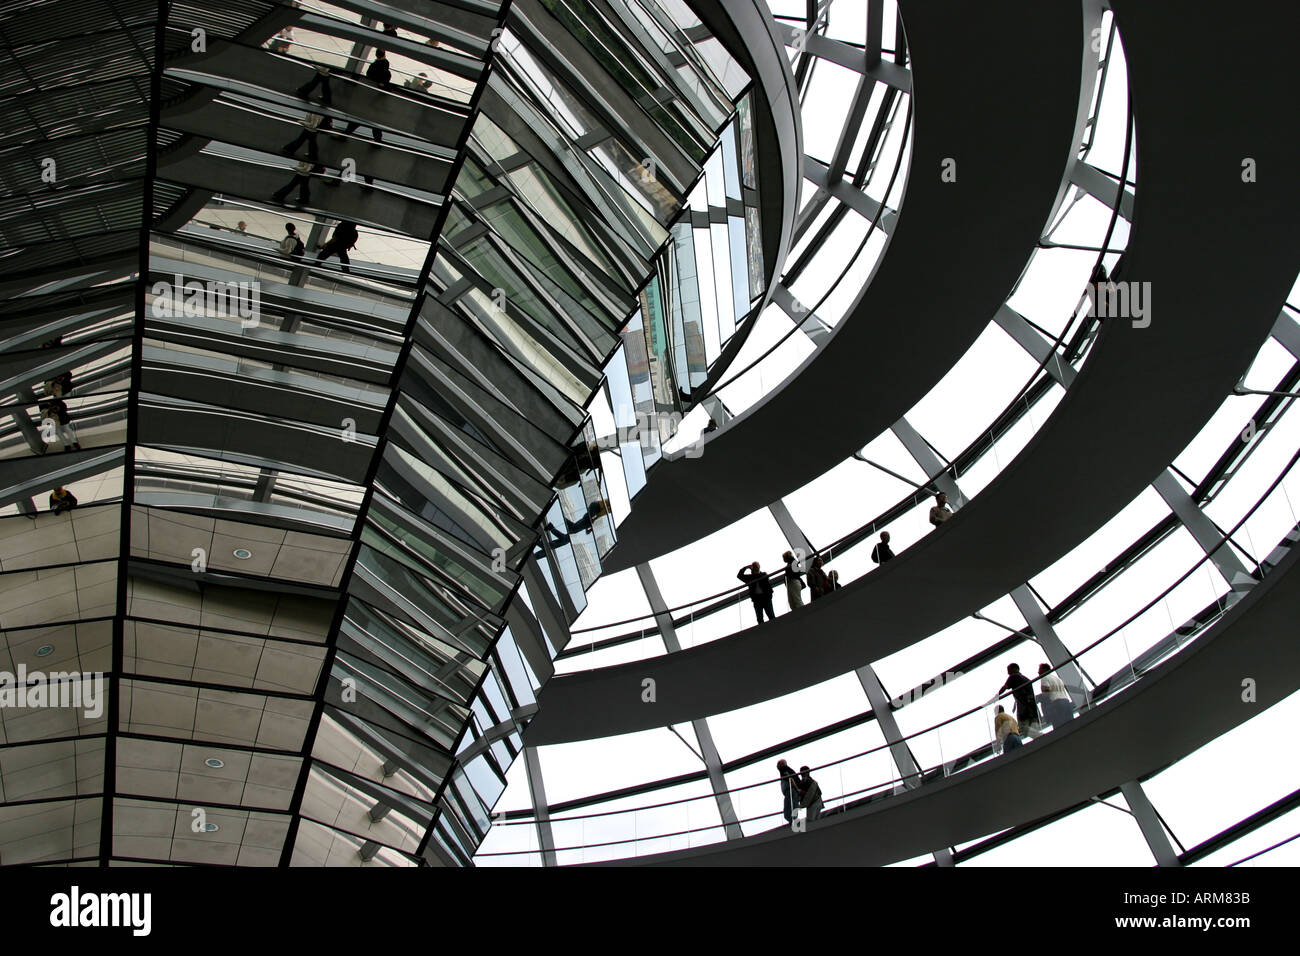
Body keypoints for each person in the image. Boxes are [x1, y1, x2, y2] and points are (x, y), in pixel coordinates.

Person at [999, 663, 1039, 735]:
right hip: (1032, 707)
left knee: (1022, 727)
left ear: (1015, 669)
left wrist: (997, 696)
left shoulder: (1013, 676)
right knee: (1034, 726)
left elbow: (1005, 687)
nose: (1008, 673)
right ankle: (1039, 738)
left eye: (1009, 670)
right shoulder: (1026, 679)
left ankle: (1040, 736)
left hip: (1023, 706)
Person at [1038, 663, 1075, 730]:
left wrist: (1039, 698)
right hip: (1066, 702)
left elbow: (1046, 692)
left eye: (1039, 670)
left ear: (1044, 670)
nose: (1038, 672)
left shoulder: (1044, 678)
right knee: (1071, 726)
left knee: (1059, 728)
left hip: (1056, 704)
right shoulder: (1057, 679)